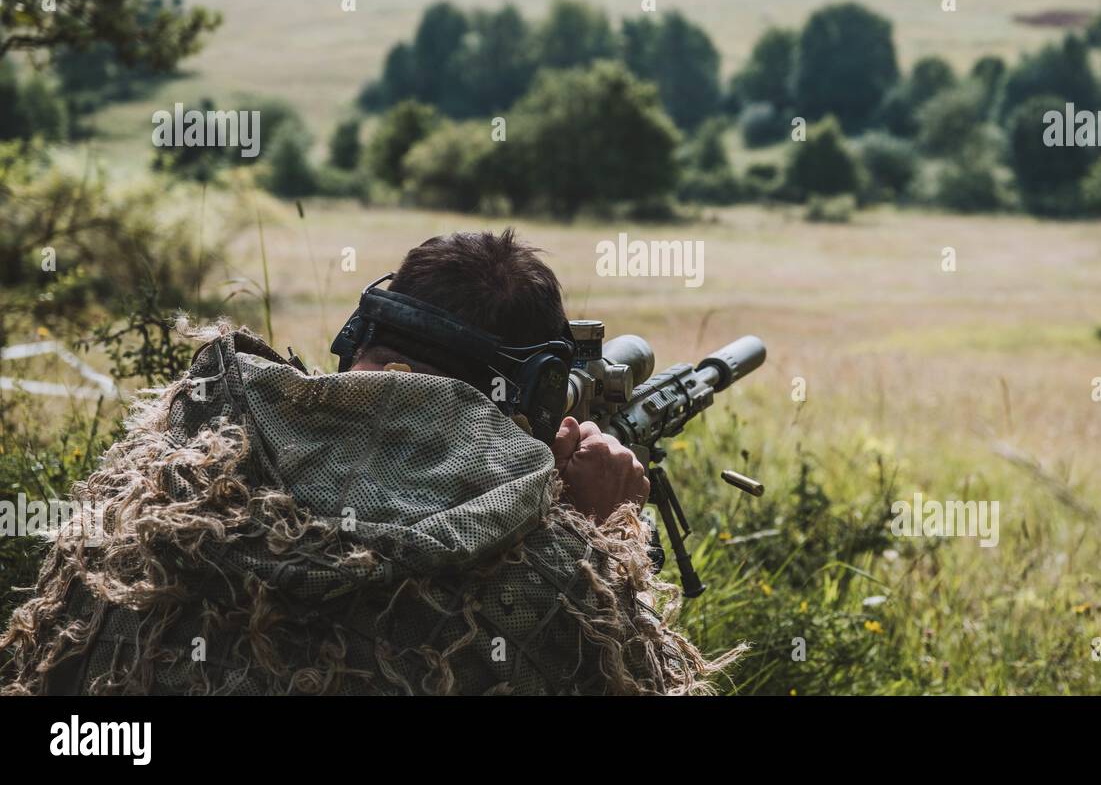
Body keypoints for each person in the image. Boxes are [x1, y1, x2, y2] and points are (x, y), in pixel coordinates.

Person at [0, 230, 738, 695]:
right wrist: (598, 534)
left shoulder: (162, 480)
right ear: (531, 413)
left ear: (357, 346)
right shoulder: (551, 583)